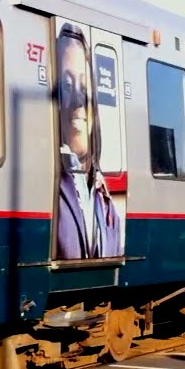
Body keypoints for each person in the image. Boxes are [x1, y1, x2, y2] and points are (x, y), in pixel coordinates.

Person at [54, 24, 121, 260]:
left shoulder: (105, 200)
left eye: (84, 86)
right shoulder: (50, 184)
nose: (78, 99)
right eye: (67, 85)